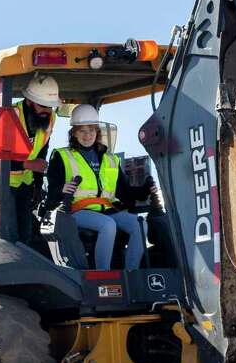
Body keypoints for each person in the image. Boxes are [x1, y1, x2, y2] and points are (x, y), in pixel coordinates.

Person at [44, 104, 154, 270]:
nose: (87, 135)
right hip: (75, 210)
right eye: (82, 130)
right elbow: (52, 189)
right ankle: (103, 274)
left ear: (97, 132)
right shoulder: (61, 155)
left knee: (140, 224)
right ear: (74, 132)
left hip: (107, 210)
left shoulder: (110, 159)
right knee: (107, 225)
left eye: (91, 130)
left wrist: (146, 189)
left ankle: (131, 272)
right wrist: (61, 190)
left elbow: (125, 193)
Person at [0, 74, 60, 251]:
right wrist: (29, 165)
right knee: (8, 230)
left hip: (24, 179)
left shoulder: (49, 118)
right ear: (29, 101)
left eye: (50, 106)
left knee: (25, 231)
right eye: (42, 105)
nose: (47, 110)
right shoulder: (10, 116)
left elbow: (41, 150)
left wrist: (38, 185)